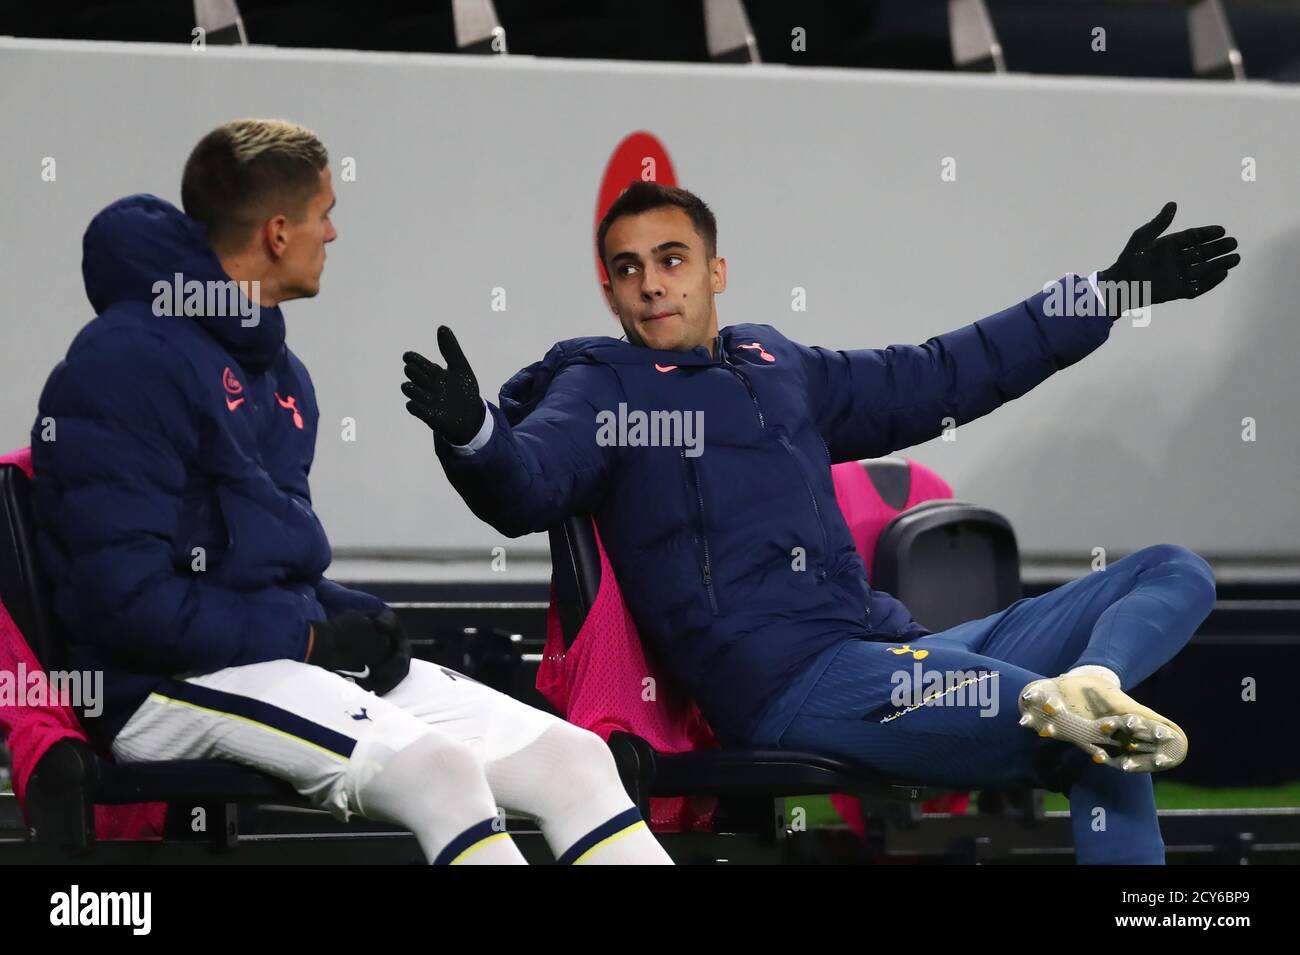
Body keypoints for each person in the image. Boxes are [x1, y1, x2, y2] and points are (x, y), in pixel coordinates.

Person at [403, 180, 1240, 863]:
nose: (652, 282)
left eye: (671, 259)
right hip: (790, 686)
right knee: (1095, 742)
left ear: (715, 270)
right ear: (611, 287)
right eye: (628, 269)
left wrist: (1111, 290)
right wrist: (473, 434)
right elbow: (527, 481)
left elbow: (946, 372)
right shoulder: (603, 389)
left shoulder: (778, 365)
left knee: (1173, 570)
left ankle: (1091, 680)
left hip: (891, 648)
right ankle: (1082, 709)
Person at [31, 120, 670, 865]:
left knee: (576, 762)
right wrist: (308, 636)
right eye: (322, 212)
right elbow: (125, 601)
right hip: (151, 688)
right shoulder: (124, 361)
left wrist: (348, 617)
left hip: (268, 658)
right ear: (276, 232)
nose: (331, 233)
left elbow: (269, 566)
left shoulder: (281, 373)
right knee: (442, 772)